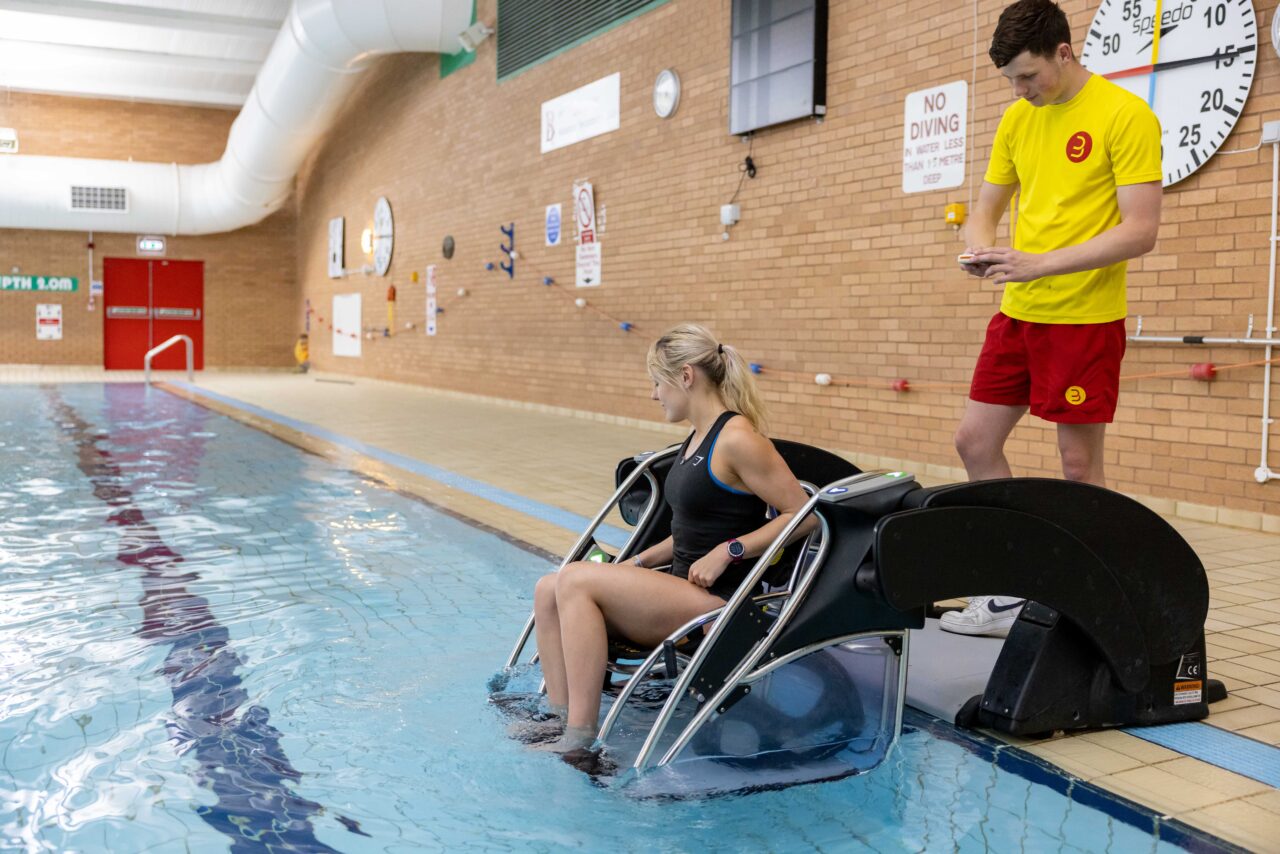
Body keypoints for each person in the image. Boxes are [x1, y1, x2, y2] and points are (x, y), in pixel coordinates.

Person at [944, 0, 1162, 637]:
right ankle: (1013, 593)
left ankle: (1106, 600)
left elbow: (1141, 232)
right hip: (1019, 313)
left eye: (1028, 76)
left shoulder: (1125, 116)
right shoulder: (1019, 117)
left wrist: (1041, 265)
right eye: (1012, 79)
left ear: (1064, 53)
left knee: (1077, 470)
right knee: (974, 443)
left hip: (1085, 318)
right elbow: (987, 206)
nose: (1020, 90)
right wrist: (979, 249)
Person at [528, 323, 815, 756]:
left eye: (656, 382)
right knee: (549, 586)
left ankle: (580, 739)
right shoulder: (695, 438)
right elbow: (686, 532)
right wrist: (636, 564)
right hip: (680, 591)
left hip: (721, 604)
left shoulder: (737, 438)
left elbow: (803, 515)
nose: (653, 394)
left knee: (575, 579)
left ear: (685, 377)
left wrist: (730, 550)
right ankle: (556, 715)